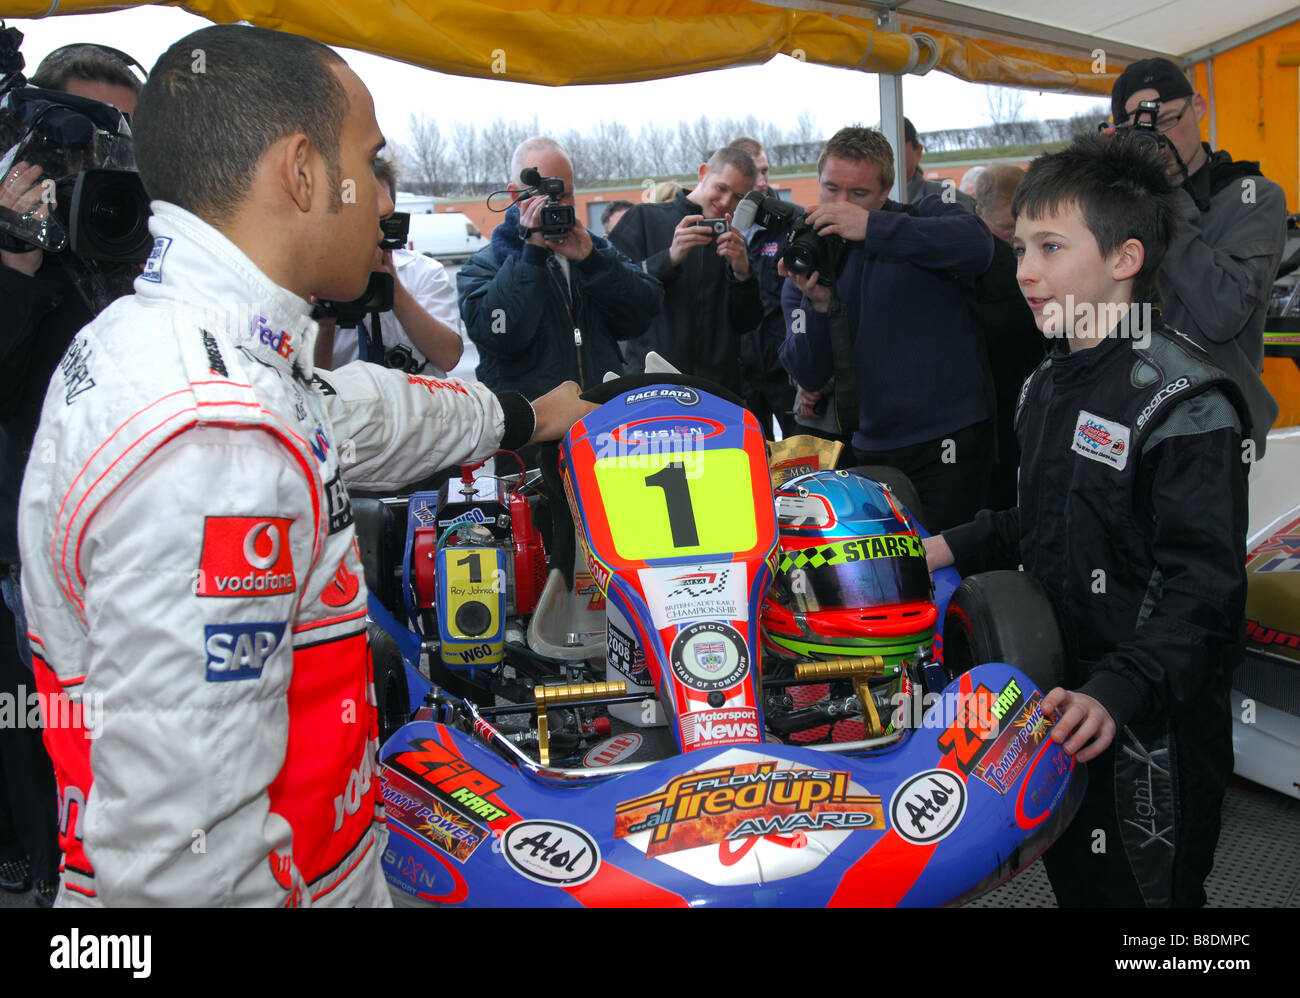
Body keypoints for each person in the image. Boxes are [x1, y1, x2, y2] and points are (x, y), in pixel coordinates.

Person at [17, 23, 593, 908]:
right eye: (371, 159)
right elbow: (180, 867)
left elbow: (354, 411)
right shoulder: (214, 439)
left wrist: (526, 414)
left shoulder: (193, 343)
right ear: (302, 172)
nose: (381, 201)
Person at [925, 133, 1249, 908]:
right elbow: (1033, 525)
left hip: (1149, 731)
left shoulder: (1187, 404)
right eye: (1019, 248)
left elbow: (1205, 592)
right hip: (1057, 710)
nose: (1025, 271)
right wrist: (932, 548)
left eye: (1049, 247)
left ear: (1124, 259)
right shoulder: (1047, 384)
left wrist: (1116, 689)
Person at [0, 42, 146, 908]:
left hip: (148, 539)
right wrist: (17, 257)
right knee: (57, 737)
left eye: (120, 136)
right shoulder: (17, 249)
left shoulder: (138, 229)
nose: (100, 157)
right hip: (42, 555)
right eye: (81, 135)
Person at [779, 126, 995, 531]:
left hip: (948, 442)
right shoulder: (810, 258)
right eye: (831, 190)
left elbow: (977, 246)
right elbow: (808, 372)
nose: (841, 205)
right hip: (870, 446)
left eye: (858, 194)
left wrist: (872, 227)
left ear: (885, 191)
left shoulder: (922, 217)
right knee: (891, 576)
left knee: (955, 572)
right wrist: (819, 306)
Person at [1111, 57, 1286, 457]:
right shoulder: (1119, 202)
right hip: (1128, 421)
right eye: (1140, 130)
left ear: (1200, 107)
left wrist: (1165, 197)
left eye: (1169, 120)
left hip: (1213, 428)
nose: (1158, 137)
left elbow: (1223, 310)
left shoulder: (1253, 196)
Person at [458, 137, 662, 400]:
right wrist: (531, 255)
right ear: (514, 195)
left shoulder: (593, 249)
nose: (557, 204)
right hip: (533, 428)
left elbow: (644, 311)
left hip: (598, 414)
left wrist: (593, 262)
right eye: (542, 193)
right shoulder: (485, 266)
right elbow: (498, 336)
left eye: (565, 193)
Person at [609, 146, 761, 391]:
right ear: (703, 173)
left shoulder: (735, 241)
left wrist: (743, 274)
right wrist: (669, 259)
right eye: (721, 188)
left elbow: (746, 323)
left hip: (716, 389)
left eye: (737, 197)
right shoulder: (643, 219)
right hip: (652, 385)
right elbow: (614, 294)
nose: (725, 202)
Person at [315, 159, 463, 377]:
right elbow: (309, 381)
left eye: (378, 211)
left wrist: (394, 290)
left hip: (417, 407)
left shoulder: (422, 271)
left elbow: (449, 356)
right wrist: (324, 319)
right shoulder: (316, 278)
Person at [972, 163, 1045, 510]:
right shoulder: (970, 264)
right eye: (1005, 229)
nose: (1015, 240)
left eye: (1023, 228)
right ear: (978, 215)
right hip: (988, 413)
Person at [729, 136, 796, 439]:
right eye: (753, 174)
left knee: (800, 459)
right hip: (741, 375)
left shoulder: (791, 223)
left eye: (765, 171)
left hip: (786, 372)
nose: (761, 181)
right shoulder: (723, 227)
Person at [904, 117, 976, 211]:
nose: (885, 156)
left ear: (918, 152)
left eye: (895, 145)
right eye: (879, 149)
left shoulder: (956, 202)